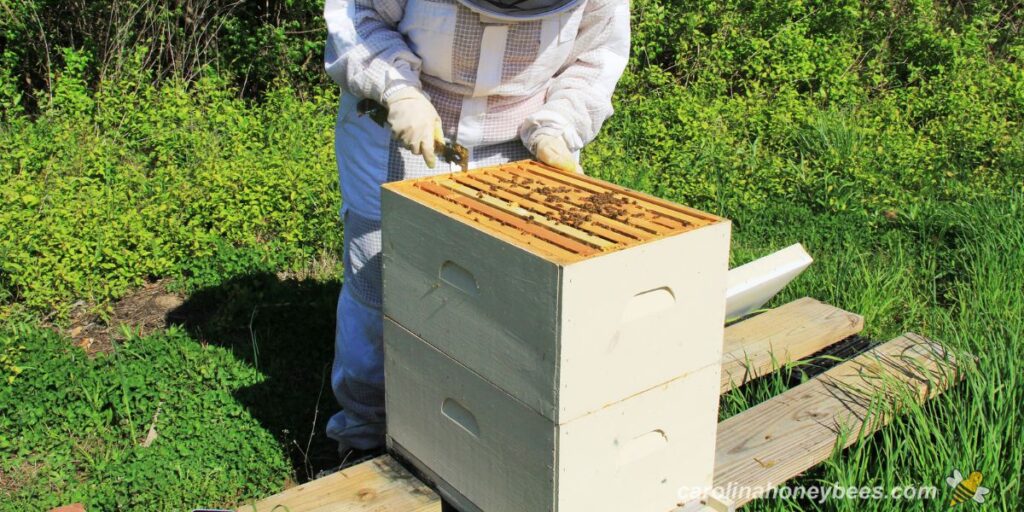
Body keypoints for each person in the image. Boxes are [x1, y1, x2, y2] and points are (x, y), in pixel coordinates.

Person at [324, 0, 630, 457]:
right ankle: (363, 433)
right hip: (401, 131)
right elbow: (358, 20)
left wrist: (558, 127)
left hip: (520, 142)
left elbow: (594, 58)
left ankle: (471, 441)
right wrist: (398, 89)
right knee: (379, 286)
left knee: (503, 299)